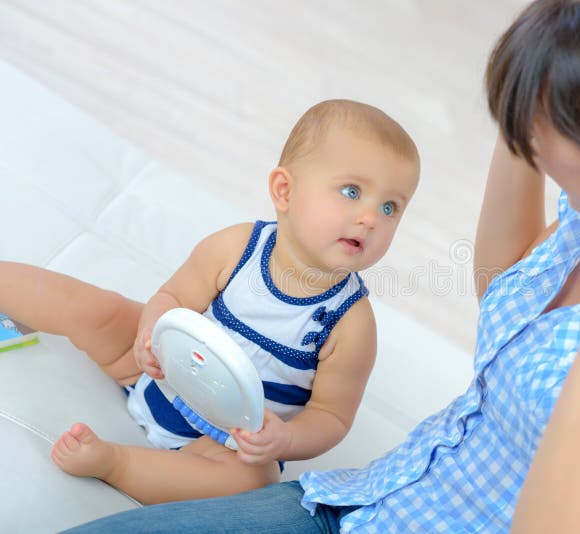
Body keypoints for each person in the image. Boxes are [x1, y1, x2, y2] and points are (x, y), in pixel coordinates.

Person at [67, 0, 580, 532]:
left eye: (537, 143)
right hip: (375, 502)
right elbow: (509, 297)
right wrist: (542, 82)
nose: (526, 153)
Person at [0, 98, 420, 505]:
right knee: (101, 311)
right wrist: (151, 332)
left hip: (220, 441)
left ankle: (116, 463)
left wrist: (285, 439)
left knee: (252, 483)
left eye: (390, 207)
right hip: (158, 371)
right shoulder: (238, 246)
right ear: (284, 191)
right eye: (351, 191)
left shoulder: (349, 323)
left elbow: (332, 416)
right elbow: (173, 297)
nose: (371, 218)